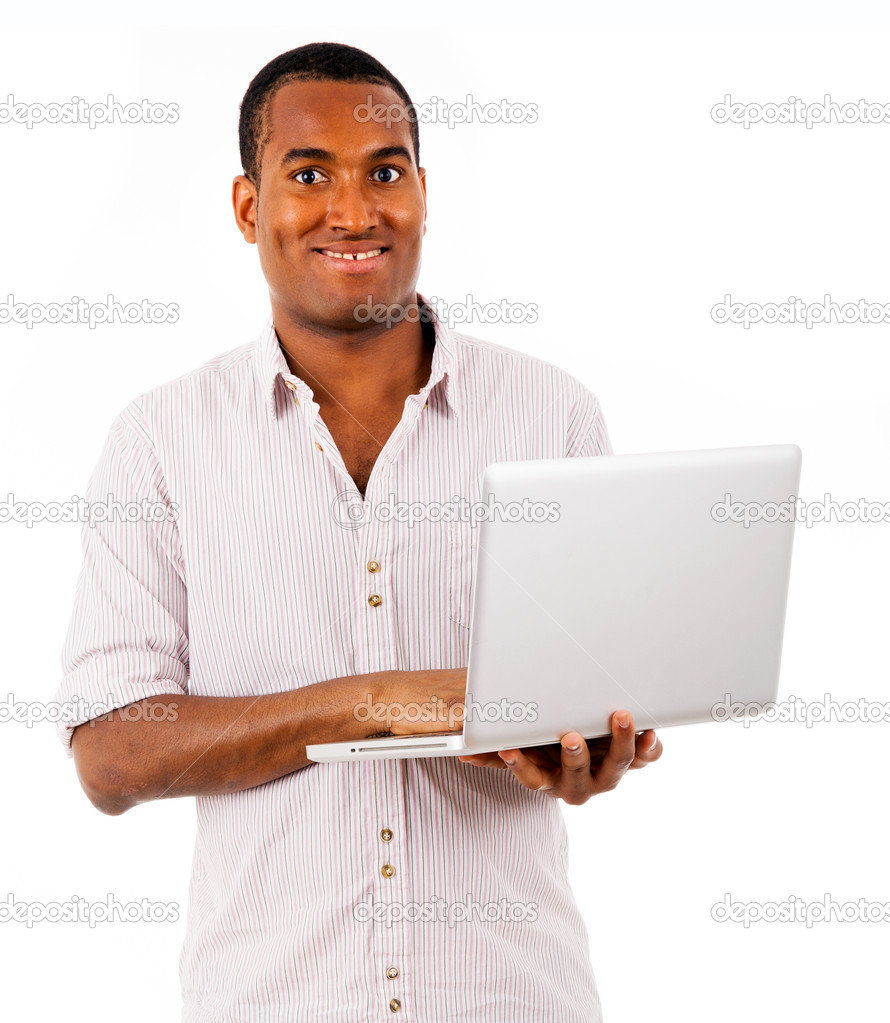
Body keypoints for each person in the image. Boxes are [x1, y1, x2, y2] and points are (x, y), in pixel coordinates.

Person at [55, 41, 662, 1022]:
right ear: (250, 207)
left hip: (512, 998)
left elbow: (582, 694)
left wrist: (583, 758)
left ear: (422, 190)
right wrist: (375, 703)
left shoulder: (552, 418)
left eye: (382, 172)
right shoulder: (161, 442)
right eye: (308, 175)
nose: (352, 211)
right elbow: (115, 753)